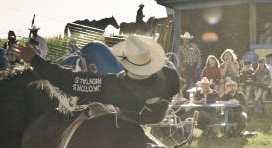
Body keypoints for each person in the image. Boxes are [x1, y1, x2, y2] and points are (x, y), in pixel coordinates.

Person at [12, 34, 180, 124]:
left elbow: (70, 81)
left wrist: (35, 60)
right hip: (158, 118)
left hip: (126, 126)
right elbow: (174, 89)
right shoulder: (170, 75)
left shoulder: (114, 86)